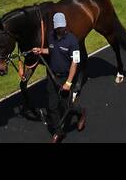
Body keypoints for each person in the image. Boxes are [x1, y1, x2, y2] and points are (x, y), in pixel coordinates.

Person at [29, 11, 86, 142]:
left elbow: (75, 62)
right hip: (52, 76)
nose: (60, 29)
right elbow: (52, 50)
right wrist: (41, 50)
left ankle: (81, 112)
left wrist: (69, 83)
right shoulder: (51, 37)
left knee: (67, 106)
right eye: (58, 27)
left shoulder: (73, 41)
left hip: (66, 78)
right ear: (55, 26)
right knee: (52, 106)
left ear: (65, 25)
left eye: (62, 26)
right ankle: (58, 132)